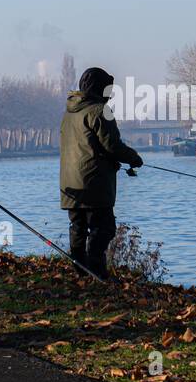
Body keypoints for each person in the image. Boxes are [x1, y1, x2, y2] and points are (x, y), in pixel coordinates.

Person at [59, 67, 143, 278]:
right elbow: (112, 145)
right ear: (99, 89)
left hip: (70, 184)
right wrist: (134, 158)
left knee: (78, 226)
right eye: (108, 89)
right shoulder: (99, 111)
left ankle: (80, 272)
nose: (111, 94)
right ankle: (96, 271)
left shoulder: (69, 112)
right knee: (103, 228)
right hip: (93, 182)